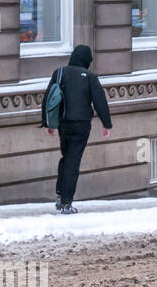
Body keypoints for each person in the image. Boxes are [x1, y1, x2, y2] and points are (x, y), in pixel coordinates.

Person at [40, 44, 112, 214]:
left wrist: (47, 122)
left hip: (63, 123)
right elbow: (100, 101)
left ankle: (60, 193)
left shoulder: (59, 73)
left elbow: (48, 97)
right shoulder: (89, 77)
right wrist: (106, 124)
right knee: (73, 161)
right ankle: (66, 202)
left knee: (66, 157)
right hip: (81, 125)